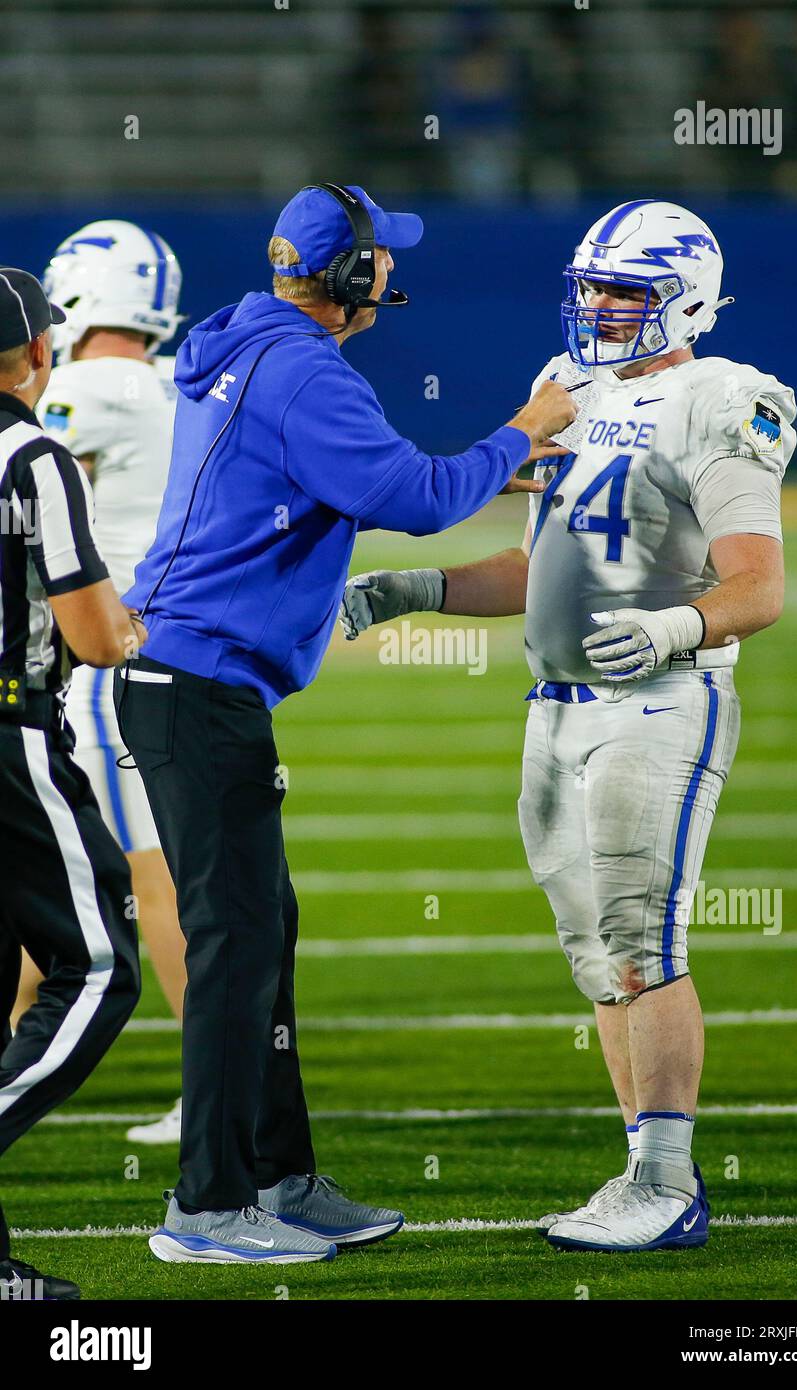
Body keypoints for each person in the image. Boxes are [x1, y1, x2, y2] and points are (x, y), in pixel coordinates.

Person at [116, 182, 575, 1265]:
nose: (386, 273)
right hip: (198, 686)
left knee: (262, 935)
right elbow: (407, 493)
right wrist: (520, 430)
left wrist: (503, 462)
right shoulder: (301, 368)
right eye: (375, 258)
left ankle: (279, 1174)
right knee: (236, 949)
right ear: (349, 277)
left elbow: (363, 480)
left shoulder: (249, 343)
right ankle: (206, 1207)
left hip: (192, 681)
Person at [340, 198, 797, 1254]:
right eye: (589, 286)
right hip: (552, 710)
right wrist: (420, 587)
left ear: (681, 300)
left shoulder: (722, 398)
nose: (596, 306)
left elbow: (757, 585)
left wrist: (678, 623)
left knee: (643, 940)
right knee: (595, 953)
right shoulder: (571, 387)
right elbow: (541, 567)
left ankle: (668, 1179)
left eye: (623, 291)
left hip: (657, 706)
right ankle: (636, 1165)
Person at [10, 222, 188, 1149]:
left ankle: (214, 1085)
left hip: (95, 671)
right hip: (155, 657)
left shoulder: (80, 392)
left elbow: (33, 521)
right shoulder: (167, 385)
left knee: (147, 886)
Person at [0, 268, 144, 1299]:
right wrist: (140, 624)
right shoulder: (32, 454)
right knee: (96, 965)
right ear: (39, 352)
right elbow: (95, 637)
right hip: (8, 732)